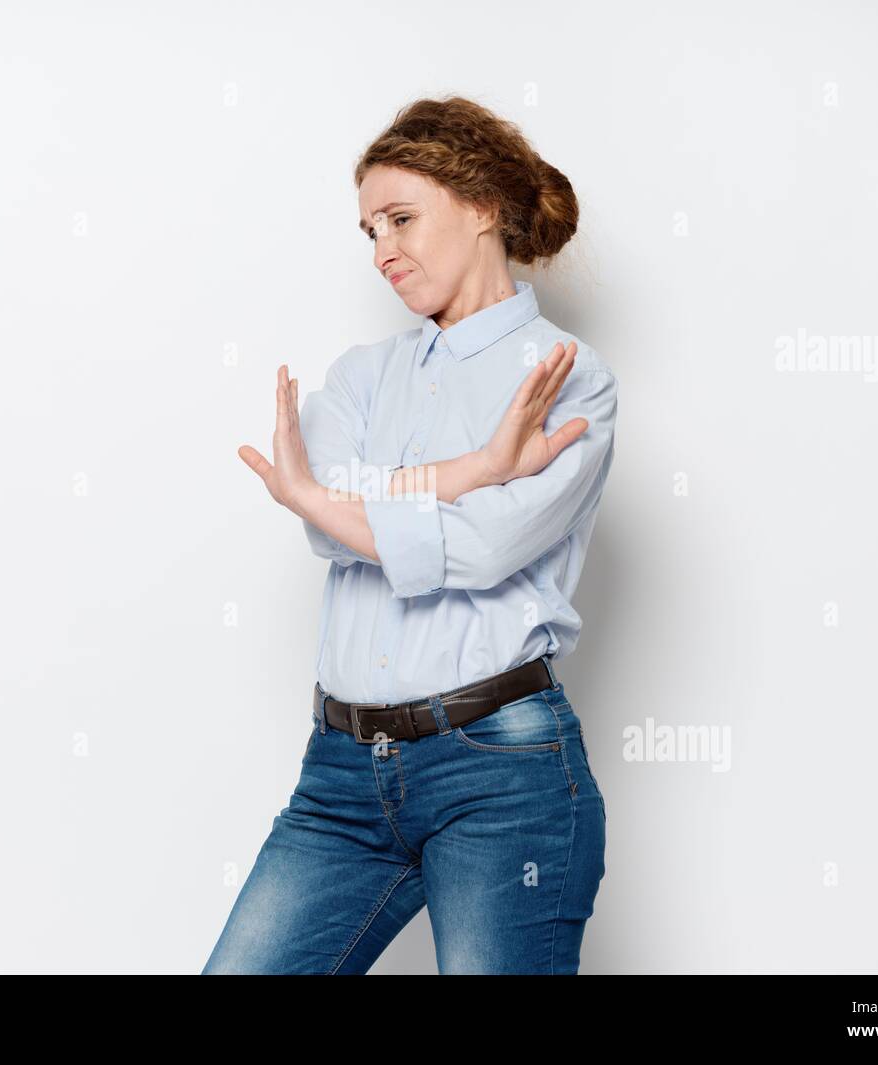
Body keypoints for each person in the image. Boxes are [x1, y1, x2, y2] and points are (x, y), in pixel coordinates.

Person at [208, 95, 618, 975]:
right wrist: (478, 468)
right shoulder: (360, 377)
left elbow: (477, 550)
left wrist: (336, 503)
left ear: (481, 208)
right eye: (368, 230)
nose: (383, 249)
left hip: (500, 774)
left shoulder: (568, 379)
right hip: (340, 776)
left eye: (400, 218)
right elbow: (326, 521)